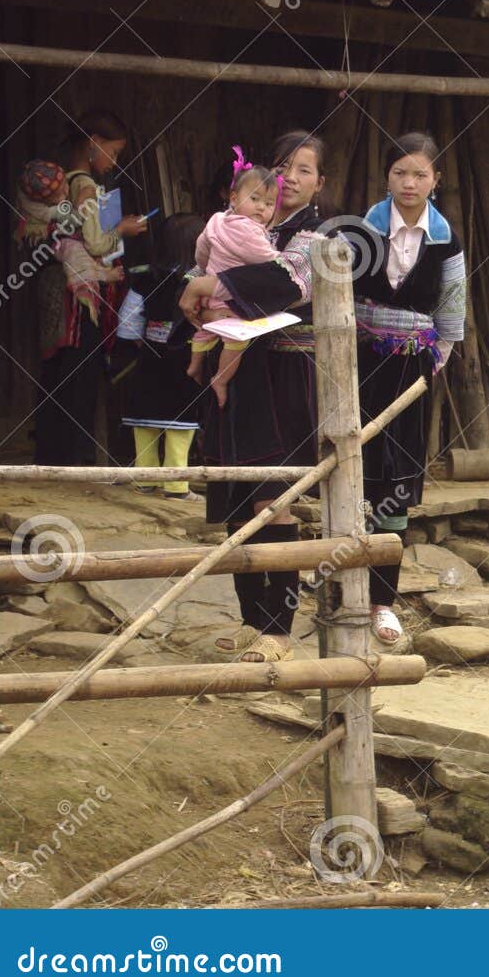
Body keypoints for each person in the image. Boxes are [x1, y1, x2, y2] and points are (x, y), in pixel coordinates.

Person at [180, 130, 331, 664]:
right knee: (239, 502)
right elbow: (204, 269)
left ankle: (280, 628)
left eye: (305, 169)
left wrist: (208, 288)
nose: (290, 178)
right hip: (238, 370)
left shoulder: (322, 235)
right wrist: (199, 290)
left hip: (286, 374)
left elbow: (290, 283)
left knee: (276, 501)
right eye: (283, 167)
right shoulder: (242, 225)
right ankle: (250, 619)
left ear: (320, 182)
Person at [332, 133, 465, 648]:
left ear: (436, 180)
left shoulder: (444, 240)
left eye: (420, 175)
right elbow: (335, 293)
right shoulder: (359, 231)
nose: (409, 184)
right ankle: (342, 589)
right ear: (387, 178)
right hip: (355, 366)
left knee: (399, 481)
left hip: (412, 375)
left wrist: (434, 360)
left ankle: (382, 602)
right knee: (351, 471)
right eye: (399, 174)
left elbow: (452, 310)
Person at [34, 112, 149, 464]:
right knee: (80, 373)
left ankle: (51, 455)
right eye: (113, 152)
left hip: (56, 285)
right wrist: (123, 230)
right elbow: (97, 244)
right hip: (79, 296)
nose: (113, 161)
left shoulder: (59, 182)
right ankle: (76, 460)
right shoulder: (85, 185)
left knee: (57, 370)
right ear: (94, 143)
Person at [115, 213, 205, 500]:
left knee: (145, 421)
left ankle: (144, 481)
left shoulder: (144, 277)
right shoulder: (201, 281)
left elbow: (127, 324)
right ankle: (176, 487)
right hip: (186, 360)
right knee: (180, 427)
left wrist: (143, 341)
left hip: (150, 360)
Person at [186, 154, 281, 408]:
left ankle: (194, 364)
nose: (262, 208)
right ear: (234, 198)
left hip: (209, 288)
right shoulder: (249, 232)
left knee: (205, 330)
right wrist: (282, 258)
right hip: (229, 297)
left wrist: (206, 270)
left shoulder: (217, 220)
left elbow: (201, 249)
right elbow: (272, 264)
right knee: (236, 340)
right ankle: (221, 379)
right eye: (255, 199)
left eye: (269, 203)